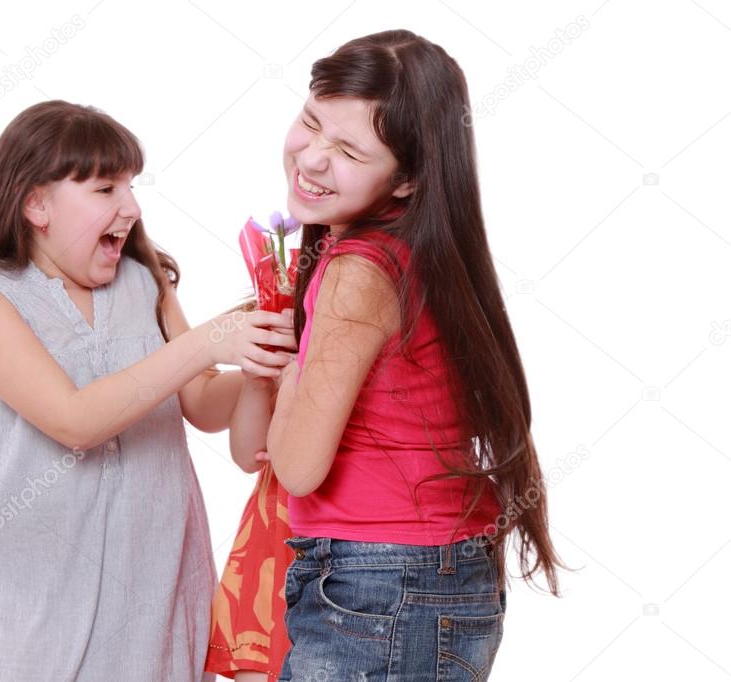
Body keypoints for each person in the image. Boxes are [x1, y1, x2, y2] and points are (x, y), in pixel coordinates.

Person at [242, 30, 565, 680]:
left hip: (378, 583)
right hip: (430, 575)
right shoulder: (420, 255)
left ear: (408, 180)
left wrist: (289, 363)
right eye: (310, 122)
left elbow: (298, 468)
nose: (311, 158)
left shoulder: (356, 273)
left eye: (349, 150)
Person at [0, 100, 297, 681]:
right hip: (42, 609)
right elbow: (74, 420)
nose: (130, 206)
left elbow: (202, 403)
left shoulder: (142, 279)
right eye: (106, 189)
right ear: (36, 204)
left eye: (130, 186)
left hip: (159, 588)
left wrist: (256, 363)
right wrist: (208, 342)